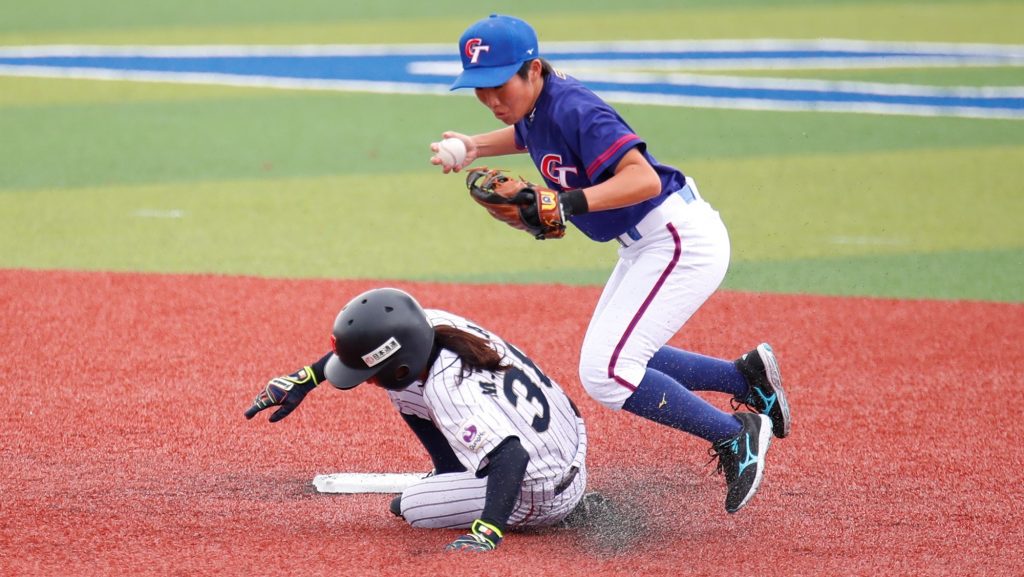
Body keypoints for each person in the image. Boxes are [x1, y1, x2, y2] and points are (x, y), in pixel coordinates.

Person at [429, 14, 791, 514]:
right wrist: (472, 145)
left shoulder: (576, 109)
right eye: (478, 90)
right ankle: (745, 378)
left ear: (532, 69)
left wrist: (565, 204)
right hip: (647, 242)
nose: (490, 99)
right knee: (607, 359)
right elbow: (524, 135)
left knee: (608, 373)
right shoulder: (540, 107)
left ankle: (735, 434)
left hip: (677, 241)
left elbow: (641, 179)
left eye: (498, 85)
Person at [244, 287, 588, 552]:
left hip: (540, 490)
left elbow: (512, 456)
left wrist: (487, 531)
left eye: (373, 372)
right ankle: (453, 474)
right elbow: (370, 346)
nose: (368, 380)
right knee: (404, 390)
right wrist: (306, 378)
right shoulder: (434, 324)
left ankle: (545, 510)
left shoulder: (448, 389)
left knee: (411, 507)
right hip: (562, 438)